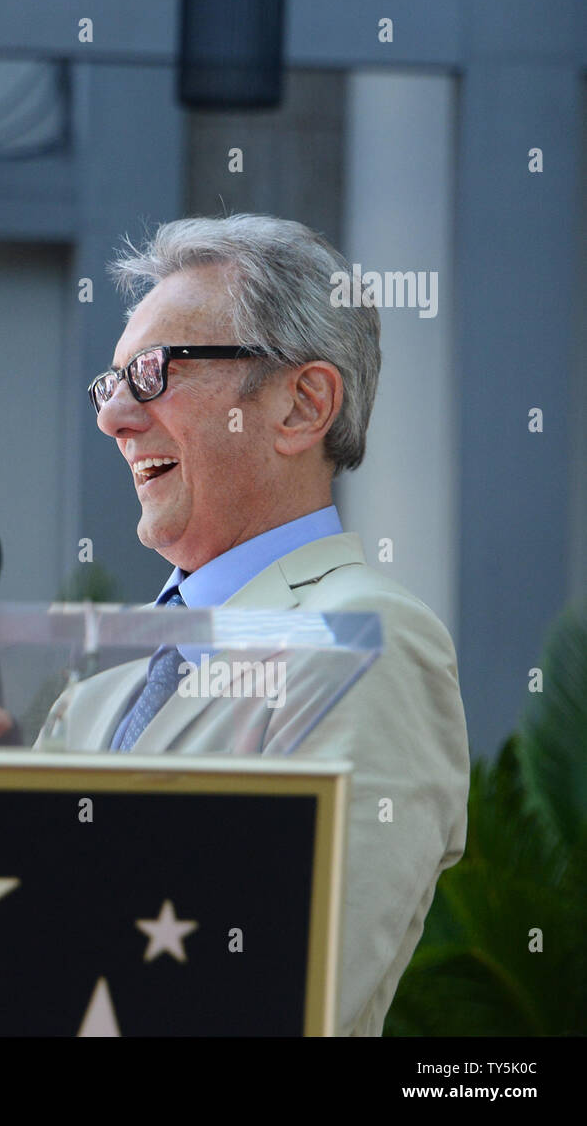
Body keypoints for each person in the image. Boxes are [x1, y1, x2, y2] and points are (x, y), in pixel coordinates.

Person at [36, 214, 470, 1037]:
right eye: (112, 382)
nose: (114, 416)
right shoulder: (104, 685)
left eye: (155, 373)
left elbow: (291, 992)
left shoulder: (366, 639)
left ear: (303, 405)